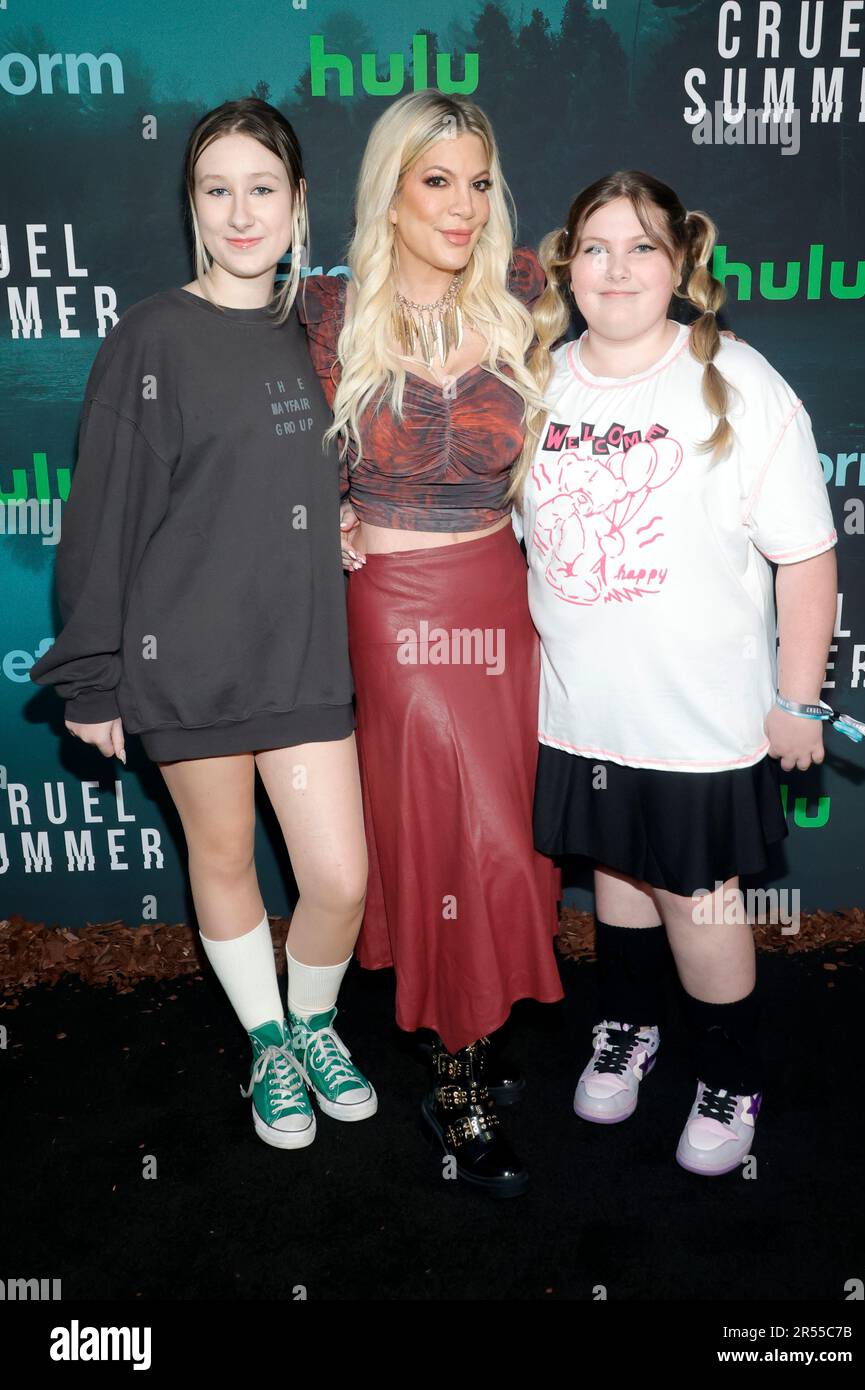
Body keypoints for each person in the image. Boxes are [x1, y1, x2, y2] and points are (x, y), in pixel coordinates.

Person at [30, 98, 376, 1151]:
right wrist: (93, 679)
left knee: (339, 878)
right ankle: (269, 1044)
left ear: (297, 202)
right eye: (216, 189)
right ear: (190, 204)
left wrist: (355, 509)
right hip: (182, 657)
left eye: (261, 188)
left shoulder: (326, 326)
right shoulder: (150, 335)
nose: (240, 212)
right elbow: (101, 517)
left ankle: (314, 1023)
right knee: (221, 858)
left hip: (304, 650)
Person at [510, 170, 838, 1176]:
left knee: (697, 900)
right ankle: (627, 1028)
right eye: (595, 248)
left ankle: (730, 1076)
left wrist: (795, 697)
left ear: (681, 262)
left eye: (640, 247)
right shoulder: (536, 380)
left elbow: (808, 555)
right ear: (567, 266)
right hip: (579, 717)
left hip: (697, 722)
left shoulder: (736, 377)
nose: (616, 269)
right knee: (615, 878)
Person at [296, 90, 563, 1197]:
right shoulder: (324, 312)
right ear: (391, 191)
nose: (462, 206)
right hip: (396, 610)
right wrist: (327, 516)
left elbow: (660, 313)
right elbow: (255, 453)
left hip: (504, 599)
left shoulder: (526, 294)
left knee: (508, 832)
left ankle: (478, 1032)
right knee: (447, 836)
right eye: (436, 181)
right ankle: (450, 1077)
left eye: (478, 181)